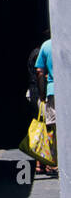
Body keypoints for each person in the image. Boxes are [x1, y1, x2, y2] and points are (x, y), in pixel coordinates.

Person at [34, 30, 57, 171]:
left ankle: (52, 162)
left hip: (53, 91)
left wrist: (42, 94)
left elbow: (39, 71)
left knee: (53, 128)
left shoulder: (47, 45)